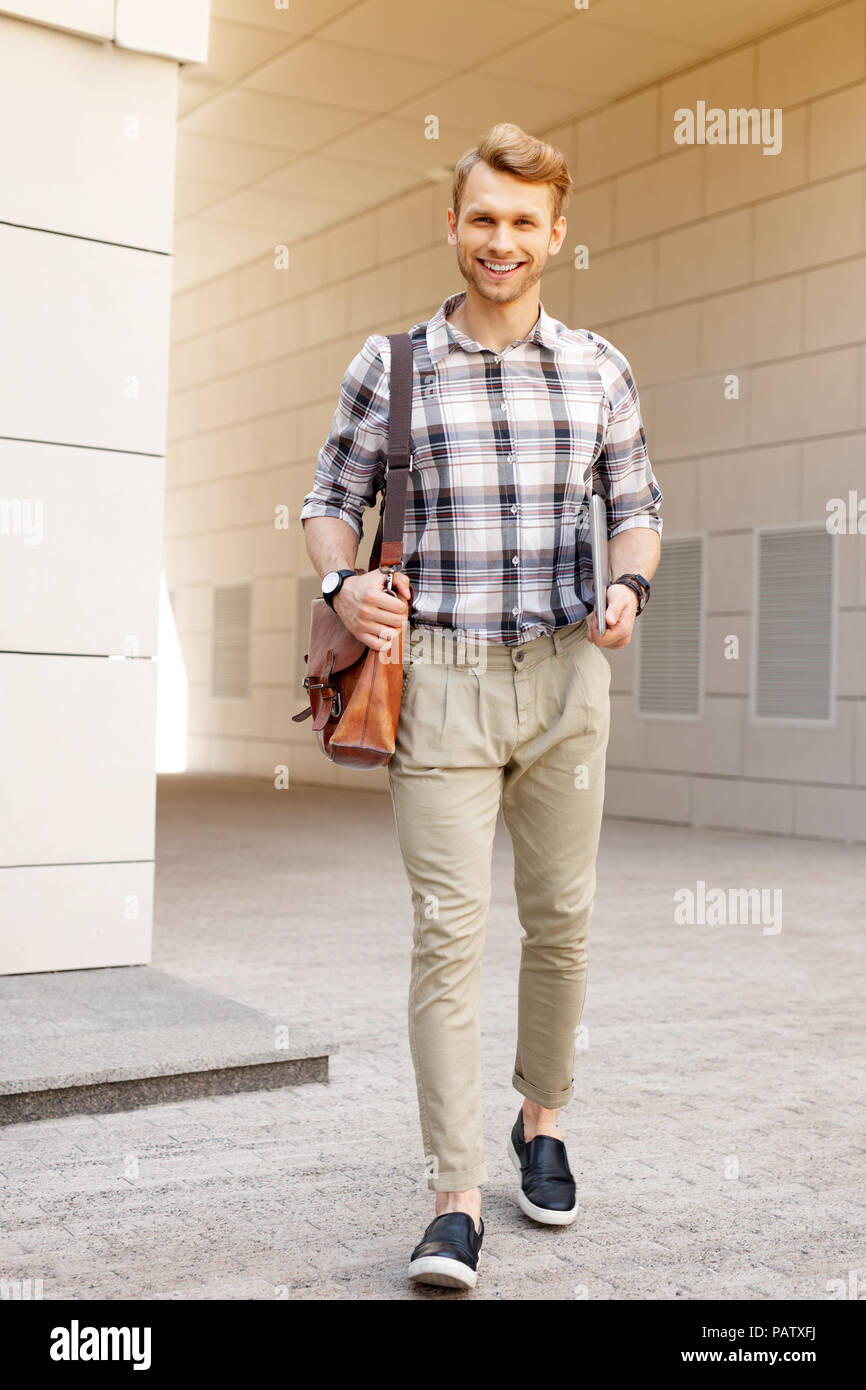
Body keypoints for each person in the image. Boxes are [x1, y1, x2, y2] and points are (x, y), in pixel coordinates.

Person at [299, 122, 662, 1291]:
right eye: (480, 219)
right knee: (447, 936)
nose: (499, 241)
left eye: (522, 222)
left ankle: (539, 1120)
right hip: (439, 683)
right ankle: (454, 1198)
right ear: (451, 225)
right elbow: (325, 499)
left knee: (560, 921)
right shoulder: (393, 364)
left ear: (556, 233)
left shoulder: (596, 365)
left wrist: (627, 581)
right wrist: (340, 582)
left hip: (564, 676)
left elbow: (638, 504)